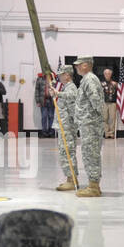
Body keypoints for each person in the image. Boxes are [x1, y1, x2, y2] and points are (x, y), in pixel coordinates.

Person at [73, 56, 104, 197]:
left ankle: (93, 187)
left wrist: (92, 120)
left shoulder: (90, 79)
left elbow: (96, 101)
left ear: (86, 65)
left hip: (90, 124)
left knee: (91, 154)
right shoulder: (86, 79)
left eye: (79, 65)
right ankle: (93, 185)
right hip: (88, 123)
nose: (76, 67)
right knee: (89, 154)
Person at [50, 63, 79, 192]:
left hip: (67, 126)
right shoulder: (66, 88)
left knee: (67, 152)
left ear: (67, 75)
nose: (59, 78)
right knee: (65, 152)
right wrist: (57, 94)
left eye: (61, 75)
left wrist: (58, 94)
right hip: (64, 125)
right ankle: (70, 179)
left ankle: (72, 180)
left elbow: (72, 96)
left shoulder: (71, 87)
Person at [102, 67, 119, 138]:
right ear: (104, 74)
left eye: (109, 73)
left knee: (112, 118)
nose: (107, 75)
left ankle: (111, 133)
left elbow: (120, 93)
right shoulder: (101, 84)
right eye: (106, 73)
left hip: (113, 103)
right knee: (104, 118)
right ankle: (106, 133)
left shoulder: (115, 84)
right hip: (104, 103)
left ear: (111, 74)